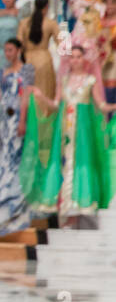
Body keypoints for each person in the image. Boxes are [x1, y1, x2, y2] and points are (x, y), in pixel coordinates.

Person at [24, 35, 116, 227]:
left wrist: (113, 106)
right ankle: (68, 213)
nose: (75, 60)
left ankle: (79, 206)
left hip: (82, 134)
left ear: (84, 60)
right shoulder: (64, 80)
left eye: (78, 57)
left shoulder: (90, 81)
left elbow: (101, 104)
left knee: (80, 165)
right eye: (72, 57)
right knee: (65, 166)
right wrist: (41, 97)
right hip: (65, 132)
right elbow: (57, 104)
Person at [0, 39, 36, 237]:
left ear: (19, 50)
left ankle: (17, 195)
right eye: (6, 50)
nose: (8, 53)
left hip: (19, 115)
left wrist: (23, 120)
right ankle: (4, 194)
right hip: (6, 119)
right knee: (6, 155)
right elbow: (0, 96)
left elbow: (26, 95)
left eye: (10, 50)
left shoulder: (27, 70)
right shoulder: (3, 71)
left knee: (17, 155)